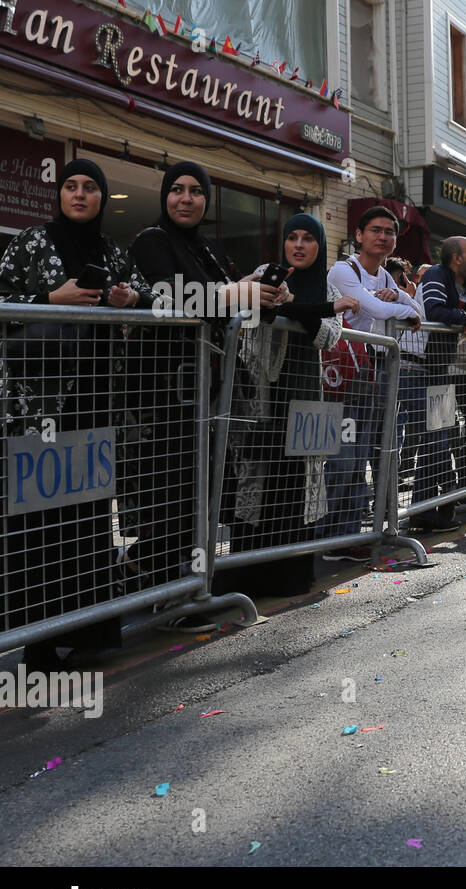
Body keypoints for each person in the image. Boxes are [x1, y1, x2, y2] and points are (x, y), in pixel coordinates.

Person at [0, 158, 152, 666]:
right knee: (41, 517)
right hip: (38, 405)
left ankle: (88, 630)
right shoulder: (29, 243)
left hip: (95, 401)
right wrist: (50, 297)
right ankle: (41, 642)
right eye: (71, 186)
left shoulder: (112, 252)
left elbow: (150, 295)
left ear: (103, 197)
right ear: (58, 194)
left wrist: (130, 297)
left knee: (89, 515)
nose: (80, 194)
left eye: (90, 187)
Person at [130, 162, 282, 624]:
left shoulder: (210, 250)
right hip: (165, 390)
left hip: (211, 390)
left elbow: (231, 308)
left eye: (196, 192)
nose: (185, 198)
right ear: (164, 196)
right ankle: (155, 586)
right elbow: (179, 296)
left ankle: (186, 589)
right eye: (176, 189)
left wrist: (268, 299)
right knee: (170, 492)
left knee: (203, 495)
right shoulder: (151, 241)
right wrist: (241, 294)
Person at [227, 215, 353, 584]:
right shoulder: (267, 273)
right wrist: (282, 304)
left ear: (319, 245)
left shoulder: (326, 287)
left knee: (298, 478)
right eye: (291, 238)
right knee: (257, 474)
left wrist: (297, 305)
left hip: (303, 398)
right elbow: (256, 311)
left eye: (307, 239)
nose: (298, 245)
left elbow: (330, 336)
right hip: (261, 395)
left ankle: (289, 576)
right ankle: (249, 574)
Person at [327, 207, 425, 524]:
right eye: (375, 230)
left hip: (371, 372)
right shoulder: (344, 270)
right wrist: (400, 307)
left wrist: (397, 297)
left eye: (389, 232)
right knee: (343, 457)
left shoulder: (384, 275)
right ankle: (330, 533)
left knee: (370, 452)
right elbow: (378, 310)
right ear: (359, 235)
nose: (382, 237)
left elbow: (416, 308)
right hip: (339, 375)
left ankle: (357, 529)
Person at [413, 236, 466, 531]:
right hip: (413, 367)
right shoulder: (435, 275)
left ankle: (424, 511)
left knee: (440, 436)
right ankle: (427, 509)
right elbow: (434, 311)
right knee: (435, 440)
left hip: (439, 368)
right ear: (456, 258)